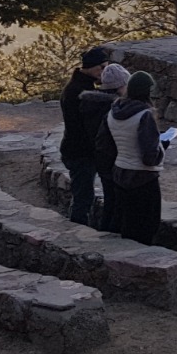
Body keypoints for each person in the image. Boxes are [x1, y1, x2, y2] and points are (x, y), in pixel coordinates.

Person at [94, 71, 164, 246]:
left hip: (119, 172)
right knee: (147, 225)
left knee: (127, 222)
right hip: (143, 177)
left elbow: (104, 143)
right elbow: (149, 157)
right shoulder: (145, 115)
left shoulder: (112, 112)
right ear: (147, 92)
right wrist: (162, 149)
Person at [59, 46, 109, 225]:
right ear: (90, 67)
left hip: (76, 150)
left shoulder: (77, 86)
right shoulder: (80, 92)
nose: (104, 71)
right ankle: (77, 228)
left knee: (83, 194)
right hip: (81, 153)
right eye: (101, 67)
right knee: (83, 196)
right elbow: (85, 126)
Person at [77, 64, 130, 231]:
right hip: (113, 158)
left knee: (110, 200)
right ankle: (113, 234)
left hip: (100, 158)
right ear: (120, 86)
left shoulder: (89, 103)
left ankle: (105, 231)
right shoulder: (112, 108)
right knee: (117, 202)